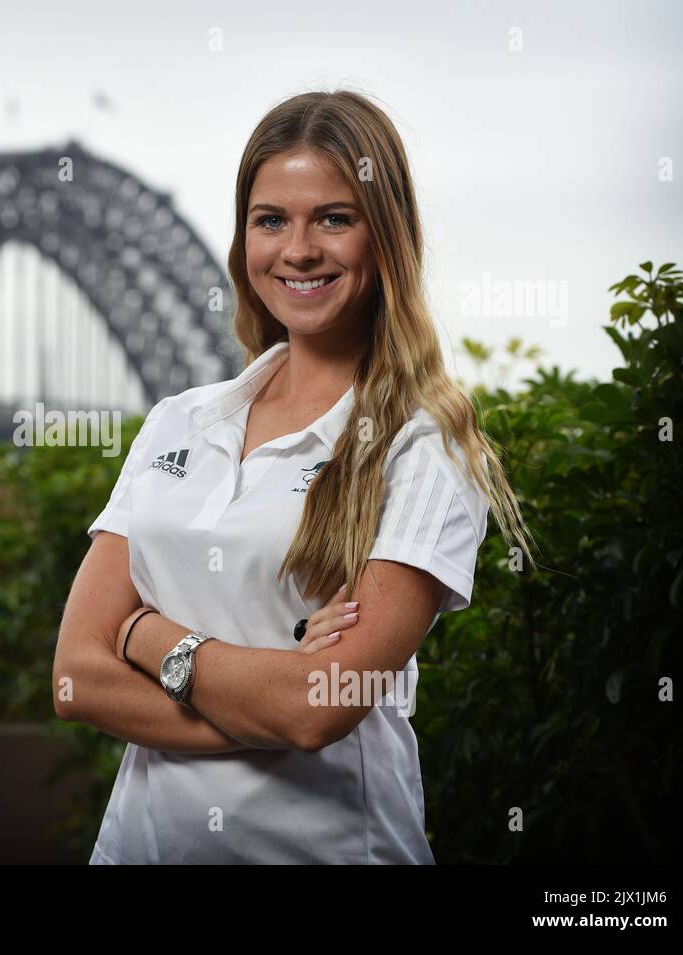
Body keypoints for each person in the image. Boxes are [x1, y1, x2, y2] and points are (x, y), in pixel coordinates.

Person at [52, 89, 535, 864]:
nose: (298, 249)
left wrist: (145, 633)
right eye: (270, 219)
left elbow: (317, 711)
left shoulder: (420, 445)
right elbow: (77, 677)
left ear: (386, 239)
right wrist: (261, 706)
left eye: (334, 219)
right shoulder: (180, 421)